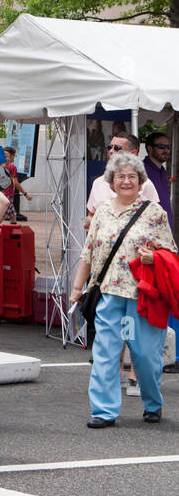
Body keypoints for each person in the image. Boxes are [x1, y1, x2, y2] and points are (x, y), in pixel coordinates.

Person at [69, 151, 176, 428]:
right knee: (105, 352)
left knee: (144, 355)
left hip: (143, 296)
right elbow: (89, 253)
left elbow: (171, 253)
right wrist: (77, 288)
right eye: (120, 176)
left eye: (132, 176)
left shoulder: (155, 213)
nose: (126, 181)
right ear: (112, 181)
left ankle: (152, 402)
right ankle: (103, 411)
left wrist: (154, 257)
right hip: (108, 294)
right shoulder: (102, 212)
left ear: (140, 181)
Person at [87, 134, 159, 217]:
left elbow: (155, 217)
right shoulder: (98, 183)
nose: (111, 151)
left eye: (117, 148)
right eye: (110, 147)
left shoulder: (145, 184)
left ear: (133, 153)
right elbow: (91, 215)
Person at [143, 132, 172, 221]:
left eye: (168, 147)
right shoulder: (141, 170)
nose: (166, 150)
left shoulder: (162, 170)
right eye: (161, 146)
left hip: (165, 229)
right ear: (150, 148)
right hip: (152, 230)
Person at [3, 146, 31, 222]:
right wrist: (25, 194)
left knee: (13, 215)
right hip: (8, 195)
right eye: (14, 155)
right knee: (1, 217)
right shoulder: (12, 167)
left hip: (1, 194)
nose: (14, 158)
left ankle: (13, 233)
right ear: (11, 156)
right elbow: (15, 183)